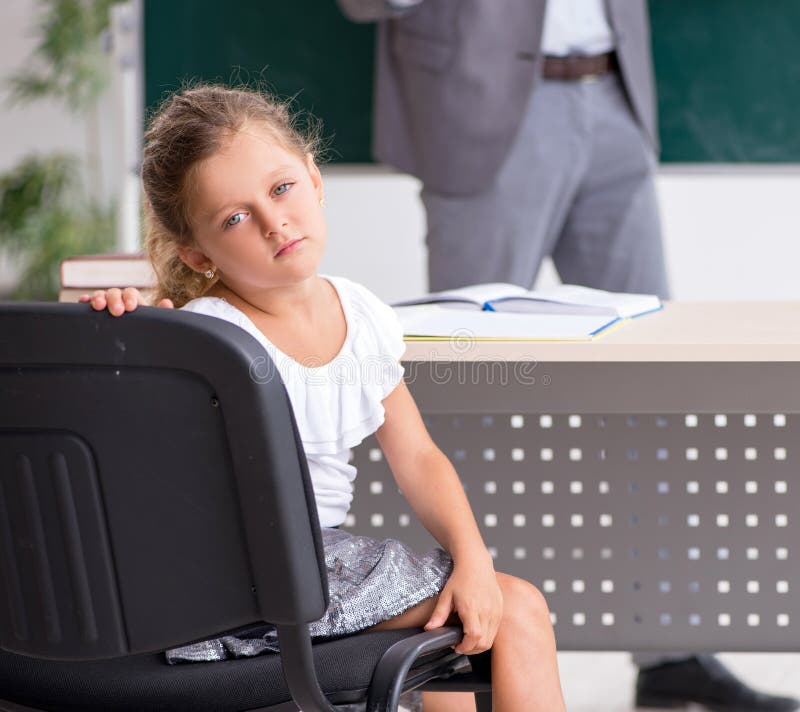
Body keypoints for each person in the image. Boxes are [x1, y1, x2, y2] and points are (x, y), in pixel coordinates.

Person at [338, 2, 800, 711]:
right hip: (483, 112)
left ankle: (673, 652)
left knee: (659, 396)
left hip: (614, 96)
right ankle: (467, 658)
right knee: (471, 396)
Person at [82, 84, 566, 712]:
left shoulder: (361, 313)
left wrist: (473, 557)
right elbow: (136, 470)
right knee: (519, 609)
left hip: (316, 564)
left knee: (459, 636)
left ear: (314, 178)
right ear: (198, 254)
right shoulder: (206, 336)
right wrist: (123, 343)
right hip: (243, 584)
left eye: (281, 189)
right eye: (235, 218)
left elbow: (418, 459)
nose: (273, 221)